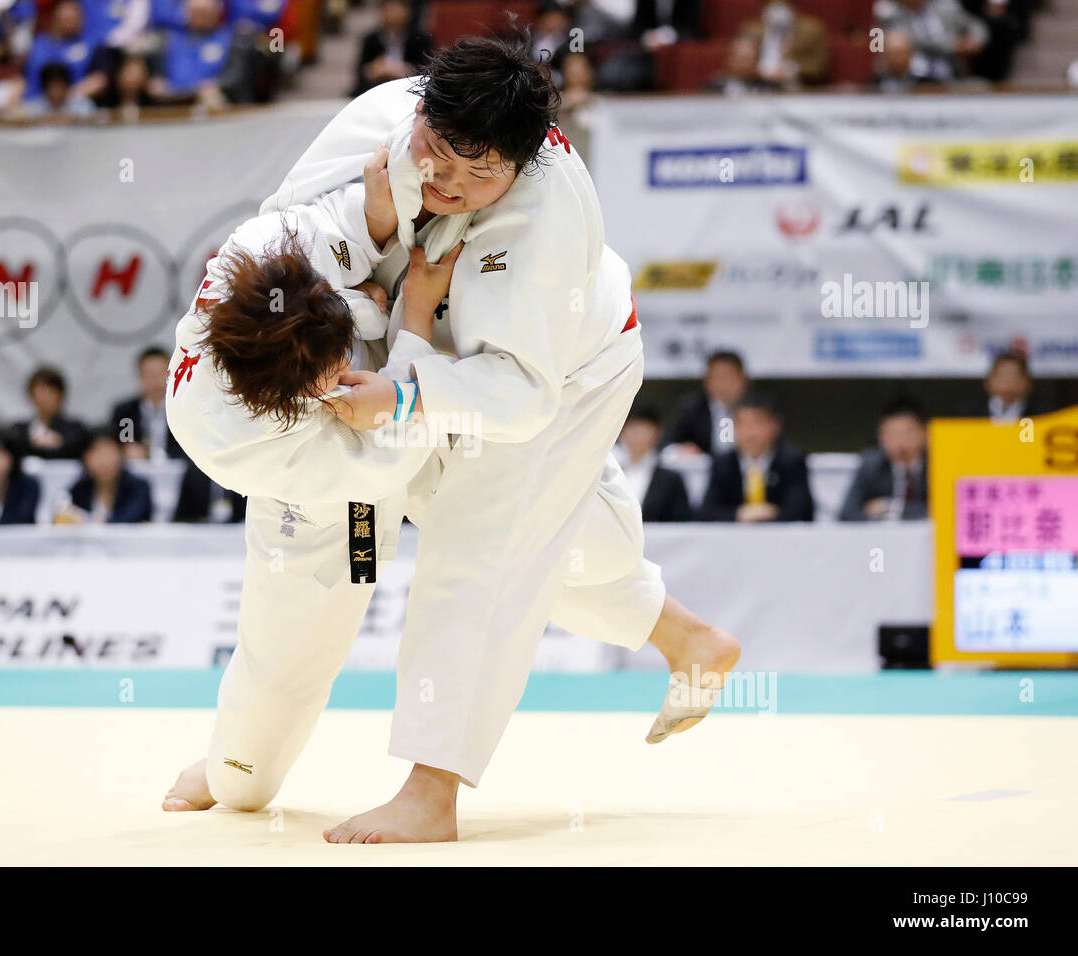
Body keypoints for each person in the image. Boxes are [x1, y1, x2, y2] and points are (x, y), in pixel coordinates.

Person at [165, 39, 738, 844]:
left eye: (481, 176)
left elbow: (522, 391)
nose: (450, 188)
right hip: (399, 365)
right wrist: (395, 312)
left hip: (559, 374)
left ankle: (433, 790)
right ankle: (687, 637)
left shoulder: (550, 207)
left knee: (480, 547)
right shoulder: (378, 124)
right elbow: (296, 227)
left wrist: (402, 372)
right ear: (421, 115)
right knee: (314, 586)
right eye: (437, 160)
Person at [698, 392, 814, 523]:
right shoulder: (723, 463)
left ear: (774, 425)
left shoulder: (792, 461)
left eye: (757, 423)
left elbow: (802, 510)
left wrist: (770, 513)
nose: (749, 432)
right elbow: (706, 511)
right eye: (742, 424)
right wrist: (739, 514)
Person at [839, 399, 928, 522]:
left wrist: (890, 506)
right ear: (881, 437)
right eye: (893, 434)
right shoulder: (871, 466)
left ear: (925, 434)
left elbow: (946, 510)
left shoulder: (937, 467)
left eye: (908, 433)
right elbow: (847, 514)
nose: (901, 442)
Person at [661, 350, 749, 456]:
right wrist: (680, 450)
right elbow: (666, 444)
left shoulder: (759, 408)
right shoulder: (692, 408)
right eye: (715, 378)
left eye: (727, 377)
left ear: (743, 378)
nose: (722, 384)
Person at [617, 402, 692, 522]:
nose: (636, 435)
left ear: (657, 432)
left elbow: (682, 523)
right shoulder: (608, 475)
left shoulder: (671, 480)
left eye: (643, 428)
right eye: (631, 428)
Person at [63, 428, 153, 523]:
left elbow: (129, 520)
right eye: (97, 453)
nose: (104, 461)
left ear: (121, 454)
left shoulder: (138, 488)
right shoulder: (80, 489)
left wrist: (89, 520)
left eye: (109, 453)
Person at [110, 346, 183, 460]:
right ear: (140, 377)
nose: (156, 381)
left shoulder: (183, 410)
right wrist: (128, 449)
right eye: (150, 374)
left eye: (161, 373)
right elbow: (122, 442)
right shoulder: (125, 412)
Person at [736, 0, 829, 88]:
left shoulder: (812, 30)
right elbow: (736, 62)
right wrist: (758, 72)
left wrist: (790, 70)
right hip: (756, 85)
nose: (777, 8)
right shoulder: (751, 29)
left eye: (782, 3)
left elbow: (818, 67)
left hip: (796, 87)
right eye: (771, 3)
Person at [7, 366, 89, 460]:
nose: (45, 398)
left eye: (50, 392)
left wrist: (59, 442)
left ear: (61, 395)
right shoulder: (19, 430)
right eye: (40, 392)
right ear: (31, 396)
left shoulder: (75, 429)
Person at [352, 0, 430, 97]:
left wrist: (405, 69)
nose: (392, 14)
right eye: (387, 10)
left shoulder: (420, 39)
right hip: (377, 89)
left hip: (410, 89)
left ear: (407, 12)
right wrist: (373, 70)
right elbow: (360, 71)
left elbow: (427, 71)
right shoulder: (371, 39)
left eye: (396, 9)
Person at [966, 351, 1041, 424]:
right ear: (989, 380)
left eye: (1014, 377)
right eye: (1002, 376)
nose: (1007, 382)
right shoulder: (969, 415)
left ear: (1027, 382)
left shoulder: (1041, 416)